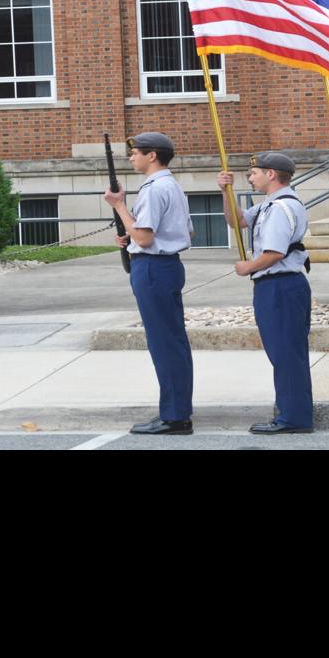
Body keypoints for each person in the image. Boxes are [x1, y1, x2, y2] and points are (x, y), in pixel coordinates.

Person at [104, 132, 194, 436]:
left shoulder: (155, 189)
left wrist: (119, 207)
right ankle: (176, 409)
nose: (131, 157)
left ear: (152, 155)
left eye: (135, 152)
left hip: (153, 267)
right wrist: (130, 231)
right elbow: (183, 232)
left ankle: (175, 416)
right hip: (165, 265)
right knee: (172, 342)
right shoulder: (171, 186)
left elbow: (145, 237)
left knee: (165, 343)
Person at [218, 152, 314, 435]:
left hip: (281, 285)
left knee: (286, 353)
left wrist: (248, 266)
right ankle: (292, 413)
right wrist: (226, 191)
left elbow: (274, 252)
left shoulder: (280, 208)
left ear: (271, 174)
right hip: (277, 286)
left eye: (254, 173)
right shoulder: (269, 205)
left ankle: (294, 418)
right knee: (283, 353)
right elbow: (236, 222)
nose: (249, 177)